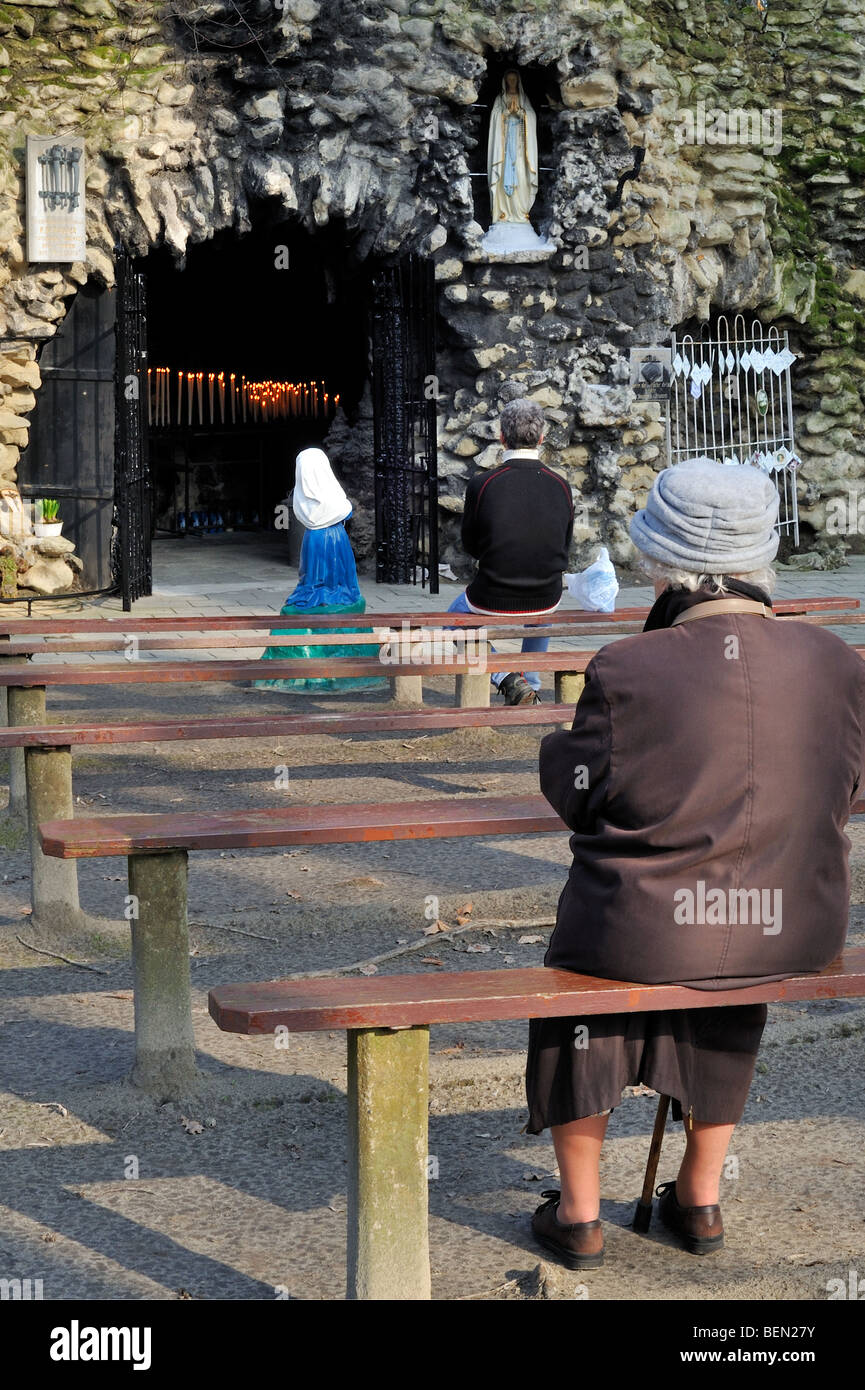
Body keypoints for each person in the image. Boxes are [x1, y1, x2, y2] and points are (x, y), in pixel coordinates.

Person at [527, 457, 865, 1268]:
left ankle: (577, 1214)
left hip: (637, 929)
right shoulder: (839, 662)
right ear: (760, 558)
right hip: (789, 923)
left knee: (582, 990)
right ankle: (701, 1198)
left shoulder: (624, 666)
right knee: (734, 966)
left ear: (658, 560)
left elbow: (579, 794)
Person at [450, 398, 574, 706]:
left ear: (502, 437)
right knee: (543, 608)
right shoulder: (561, 485)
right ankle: (529, 680)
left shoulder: (483, 484)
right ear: (542, 437)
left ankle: (505, 675)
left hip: (491, 594)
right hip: (547, 594)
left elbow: (470, 545)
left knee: (452, 618)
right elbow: (564, 545)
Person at [256, 447, 387, 694]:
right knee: (337, 579)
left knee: (312, 578)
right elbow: (346, 509)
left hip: (313, 541)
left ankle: (317, 592)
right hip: (334, 539)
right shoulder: (331, 499)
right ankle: (333, 594)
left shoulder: (302, 501)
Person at [488, 69, 539, 225]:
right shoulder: (500, 99)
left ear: (518, 81)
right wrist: (505, 112)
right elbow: (495, 116)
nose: (511, 82)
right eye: (509, 80)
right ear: (505, 81)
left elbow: (531, 116)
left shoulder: (524, 98)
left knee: (521, 174)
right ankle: (503, 211)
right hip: (504, 145)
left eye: (514, 79)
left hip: (520, 145)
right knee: (503, 172)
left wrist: (521, 113)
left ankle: (521, 212)